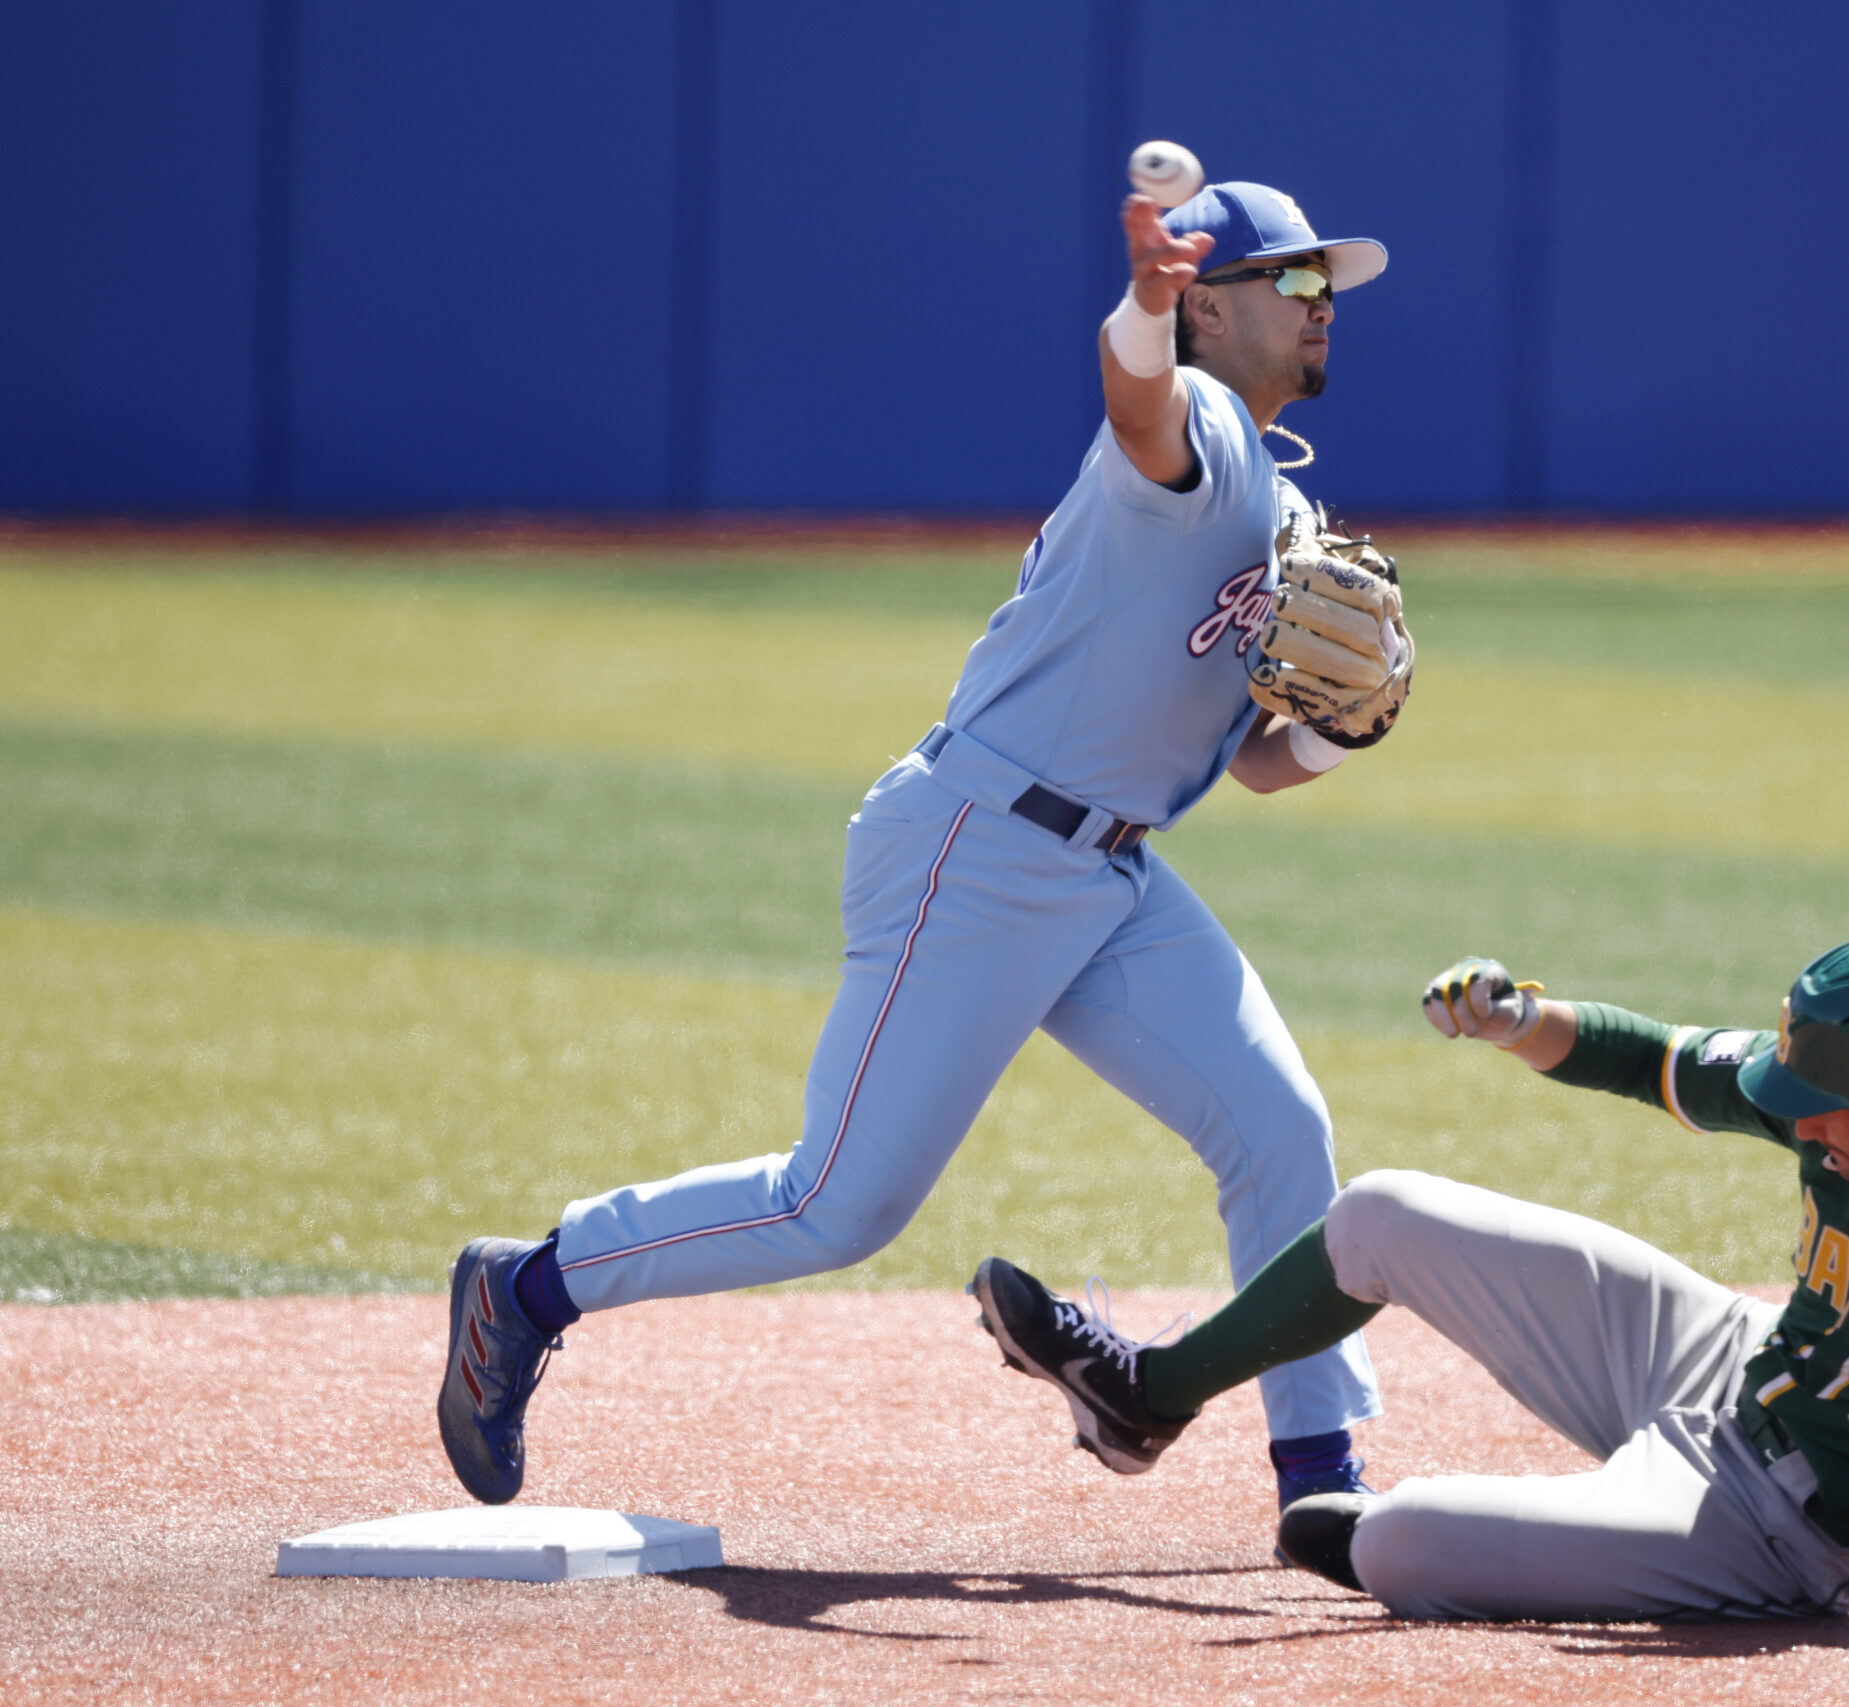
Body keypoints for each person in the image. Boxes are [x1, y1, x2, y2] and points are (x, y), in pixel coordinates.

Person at [437, 180, 1410, 1515]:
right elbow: (1138, 395)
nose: (1321, 307)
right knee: (837, 1203)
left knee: (1280, 1127)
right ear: (1210, 303)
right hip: (980, 845)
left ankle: (1322, 1475)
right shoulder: (1194, 444)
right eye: (1294, 282)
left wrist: (1345, 737)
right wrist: (1140, 303)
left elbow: (1247, 762)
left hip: (1108, 876)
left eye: (1324, 286)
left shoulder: (1278, 507)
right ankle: (523, 1286)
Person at [972, 928, 1849, 1621]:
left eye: (1828, 1110)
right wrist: (1518, 1021)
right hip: (1721, 1358)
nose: (1802, 1121)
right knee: (1383, 1213)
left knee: (1397, 1544)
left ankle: (1480, 1538)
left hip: (1778, 1532)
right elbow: (1654, 1061)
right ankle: (1149, 1393)